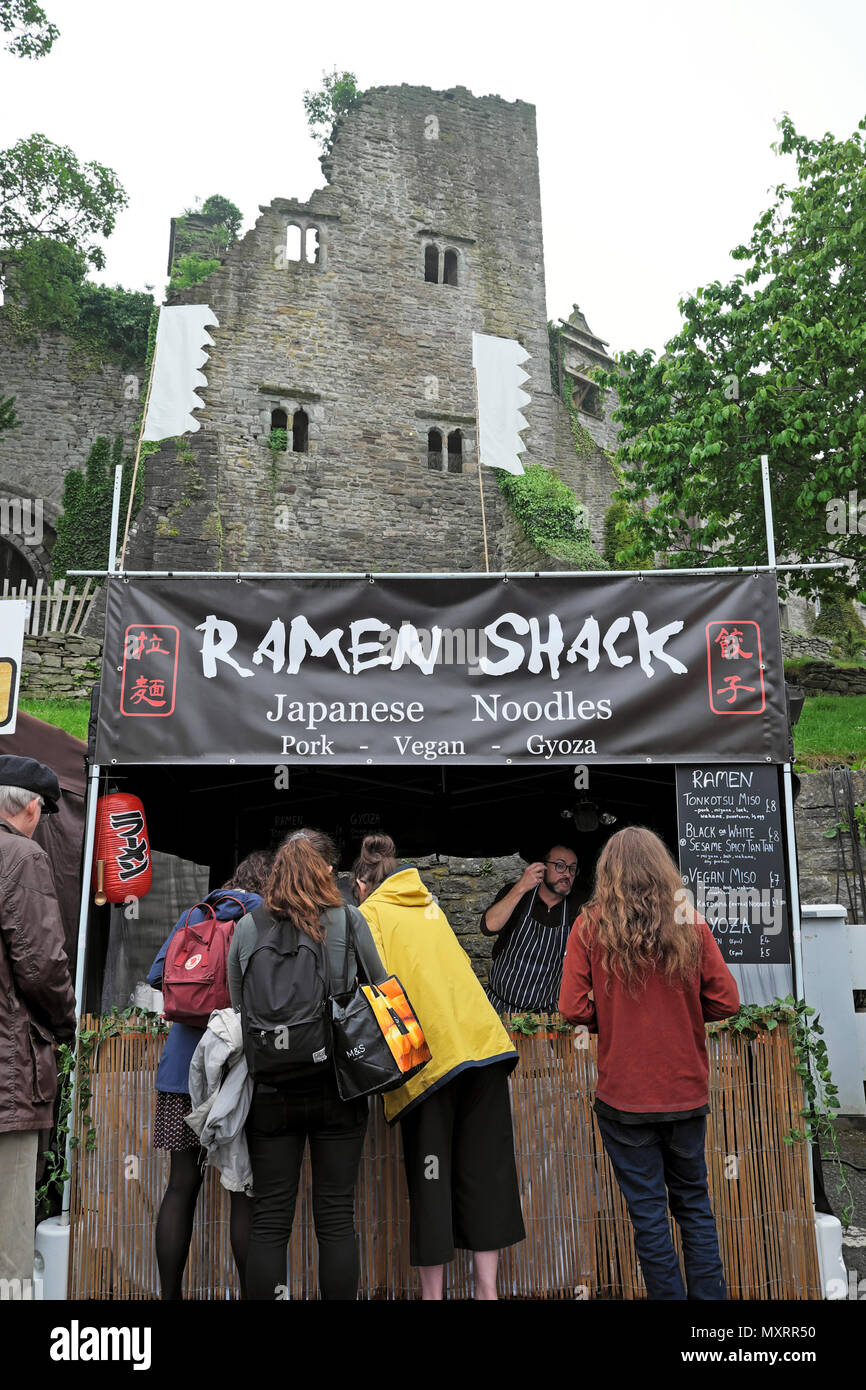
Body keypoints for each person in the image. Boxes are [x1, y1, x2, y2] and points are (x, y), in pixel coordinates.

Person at [558, 825, 740, 1301]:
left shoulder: (590, 924)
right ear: (662, 867)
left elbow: (574, 1009)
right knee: (694, 1206)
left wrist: (615, 1017)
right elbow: (726, 1002)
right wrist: (680, 1013)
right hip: (685, 1091)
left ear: (607, 871)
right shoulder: (690, 921)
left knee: (648, 1214)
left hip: (624, 1097)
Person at [354, 833, 525, 1301]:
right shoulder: (429, 905)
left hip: (431, 1063)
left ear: (361, 885)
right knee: (484, 1172)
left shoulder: (368, 915)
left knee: (431, 1179)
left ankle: (434, 1298)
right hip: (485, 1048)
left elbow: (377, 995)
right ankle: (486, 1291)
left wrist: (399, 1079)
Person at [229, 829, 386, 1301]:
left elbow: (238, 1007)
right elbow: (382, 989)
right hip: (337, 1086)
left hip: (271, 1092)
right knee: (336, 1215)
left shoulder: (247, 928)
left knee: (271, 1219)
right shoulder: (348, 920)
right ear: (326, 873)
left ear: (276, 874)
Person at [147, 850, 273, 1300]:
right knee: (243, 1191)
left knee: (180, 1185)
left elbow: (158, 977)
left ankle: (170, 1297)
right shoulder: (262, 917)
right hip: (238, 1078)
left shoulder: (194, 913)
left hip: (182, 1075)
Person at [0, 756, 76, 1291]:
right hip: (7, 1062)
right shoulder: (22, 855)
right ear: (30, 807)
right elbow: (42, 964)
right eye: (45, 811)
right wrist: (67, 1023)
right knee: (8, 1238)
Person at [480, 844, 585, 1014]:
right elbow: (488, 927)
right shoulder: (517, 894)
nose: (567, 873)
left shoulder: (578, 909)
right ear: (542, 867)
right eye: (560, 866)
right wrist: (521, 887)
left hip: (544, 1016)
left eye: (572, 869)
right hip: (497, 1007)